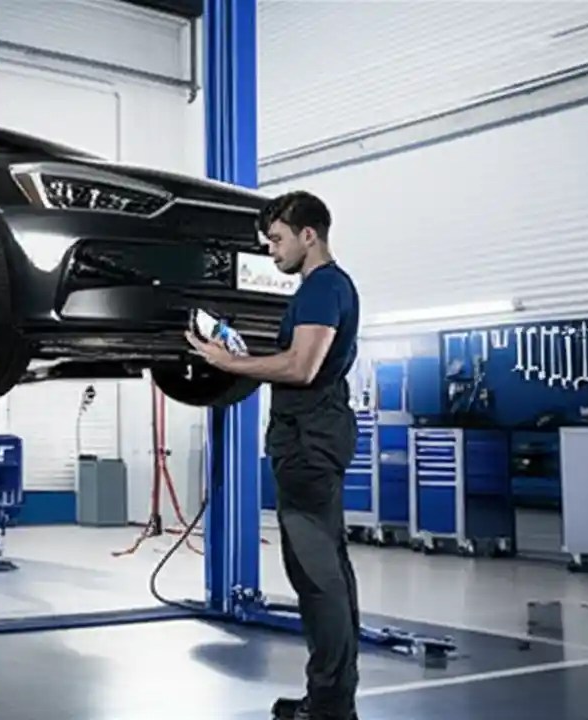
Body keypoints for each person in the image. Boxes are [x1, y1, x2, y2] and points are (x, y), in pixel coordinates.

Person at [185, 190, 361, 720]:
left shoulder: (320, 288)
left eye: (278, 239)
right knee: (330, 570)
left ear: (310, 236)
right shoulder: (331, 287)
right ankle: (332, 699)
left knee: (315, 576)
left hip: (307, 441)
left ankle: (328, 705)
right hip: (317, 435)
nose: (272, 250)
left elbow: (302, 368)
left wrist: (229, 363)